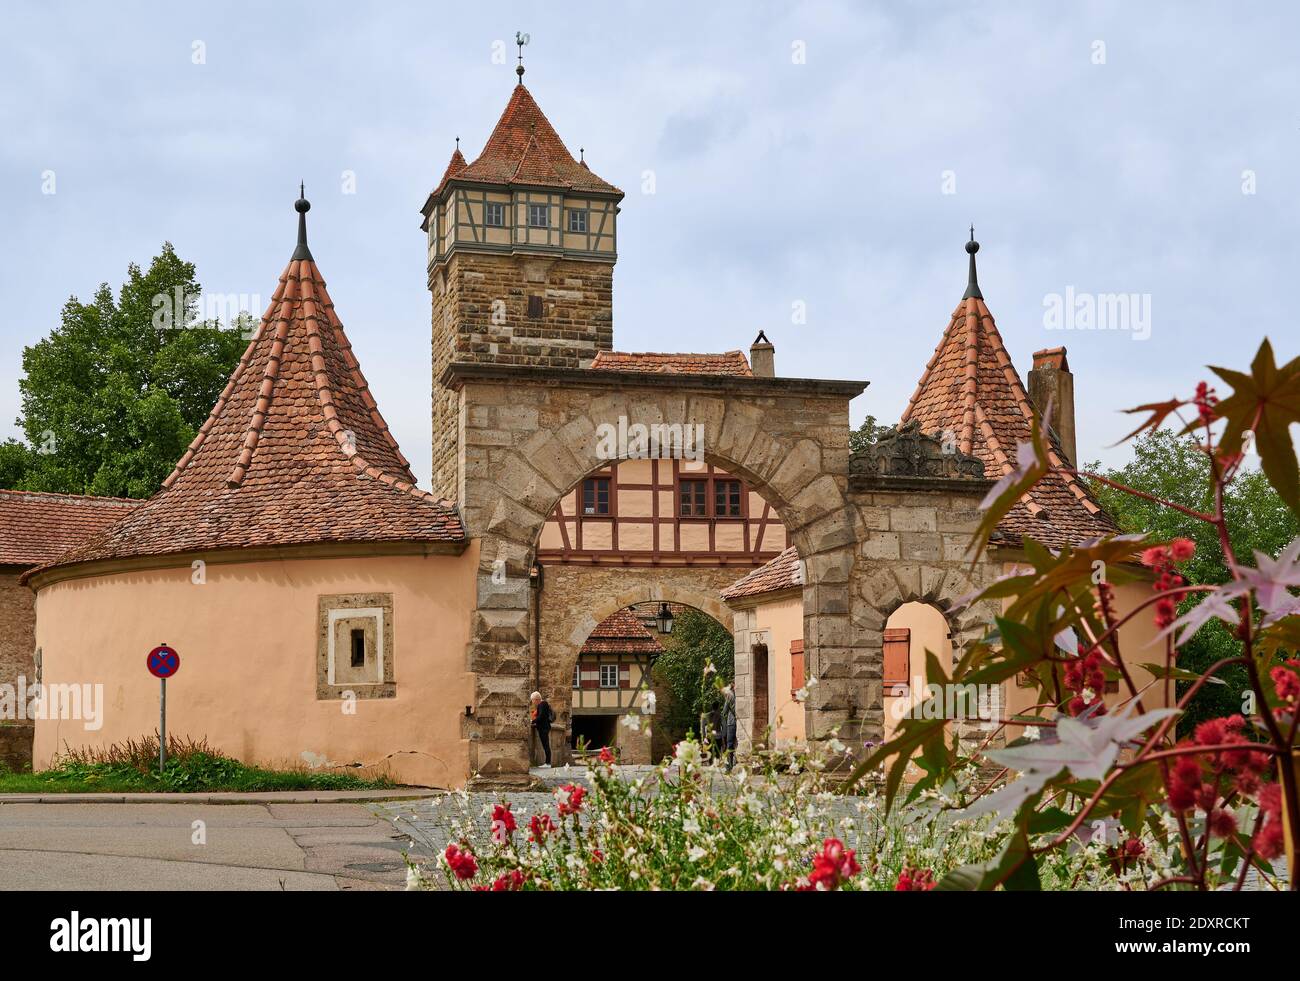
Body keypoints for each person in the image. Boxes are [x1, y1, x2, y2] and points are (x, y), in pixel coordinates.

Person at [531, 690, 554, 768]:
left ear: (536, 699)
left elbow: (541, 717)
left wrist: (532, 721)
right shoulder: (543, 704)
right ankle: (548, 763)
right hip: (544, 727)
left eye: (533, 700)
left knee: (546, 745)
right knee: (546, 745)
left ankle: (548, 763)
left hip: (543, 728)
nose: (533, 702)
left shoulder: (542, 704)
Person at [721, 684, 737, 771]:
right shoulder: (739, 695)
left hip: (731, 722)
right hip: (738, 722)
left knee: (729, 743)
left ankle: (729, 767)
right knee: (736, 743)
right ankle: (735, 763)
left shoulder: (730, 695)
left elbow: (724, 711)